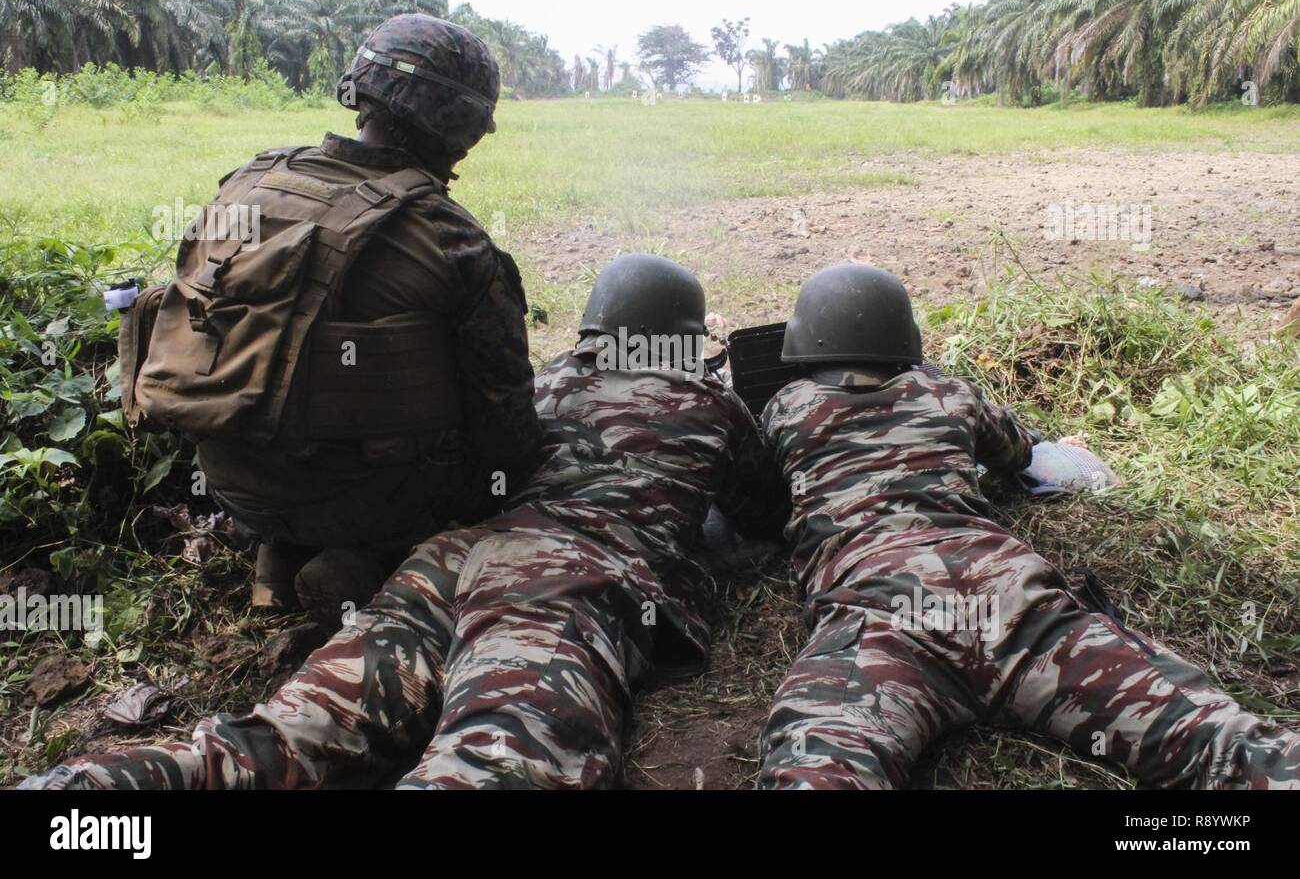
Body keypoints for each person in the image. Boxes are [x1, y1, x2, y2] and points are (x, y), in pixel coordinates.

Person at [22, 254, 783, 790]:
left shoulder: (545, 382)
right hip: (566, 579)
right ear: (684, 338)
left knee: (294, 733)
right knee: (506, 759)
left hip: (450, 559)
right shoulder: (710, 404)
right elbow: (762, 511)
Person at [756, 263, 1300, 789]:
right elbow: (1018, 451)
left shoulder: (784, 406)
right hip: (1012, 600)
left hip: (881, 616)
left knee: (817, 773)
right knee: (1218, 740)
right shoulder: (950, 394)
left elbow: (756, 505)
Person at [117, 14, 542, 612]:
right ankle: (368, 561)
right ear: (461, 125)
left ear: (360, 90)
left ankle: (280, 553)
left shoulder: (247, 181)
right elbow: (505, 428)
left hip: (229, 481)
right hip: (369, 499)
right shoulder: (453, 237)